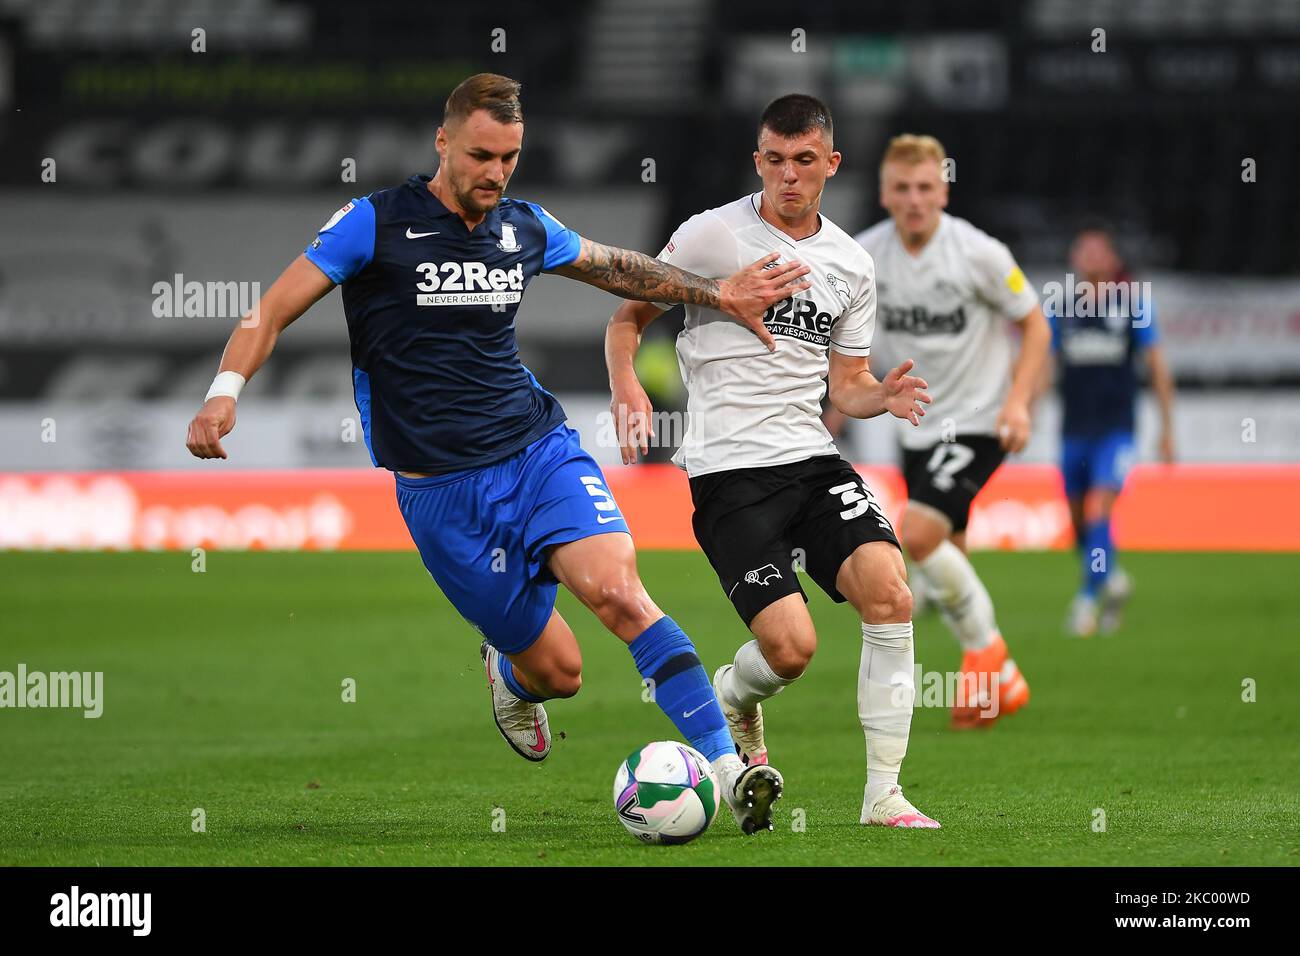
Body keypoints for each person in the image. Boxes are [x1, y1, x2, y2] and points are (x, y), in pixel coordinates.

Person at [184, 73, 808, 834]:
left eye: (510, 156)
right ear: (443, 142)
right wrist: (225, 389)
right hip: (441, 492)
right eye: (482, 154)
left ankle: (728, 769)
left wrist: (719, 295)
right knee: (561, 672)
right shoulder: (372, 223)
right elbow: (271, 308)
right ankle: (510, 674)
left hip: (537, 450)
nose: (496, 172)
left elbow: (620, 268)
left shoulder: (524, 226)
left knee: (619, 593)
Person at [607, 94, 939, 828]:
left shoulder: (850, 264)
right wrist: (627, 381)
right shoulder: (710, 236)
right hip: (729, 473)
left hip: (814, 463)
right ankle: (733, 694)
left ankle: (884, 794)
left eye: (805, 161)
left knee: (891, 594)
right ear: (758, 160)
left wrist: (876, 394)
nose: (789, 176)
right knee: (791, 652)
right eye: (775, 160)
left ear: (832, 164)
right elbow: (627, 314)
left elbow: (845, 384)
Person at [854, 134, 1049, 728]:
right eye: (903, 188)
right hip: (916, 427)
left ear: (943, 189)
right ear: (886, 193)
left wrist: (1018, 403)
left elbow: (1035, 325)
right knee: (947, 556)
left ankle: (993, 659)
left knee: (917, 534)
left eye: (926, 188)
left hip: (979, 419)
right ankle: (995, 680)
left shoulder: (978, 253)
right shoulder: (863, 257)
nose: (915, 199)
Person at [1051, 224, 1176, 636]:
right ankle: (1114, 578)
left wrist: (1167, 428)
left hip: (1116, 430)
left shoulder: (1133, 308)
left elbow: (1156, 366)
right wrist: (1025, 407)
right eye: (1081, 249)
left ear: (1111, 260)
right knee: (1077, 522)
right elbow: (1043, 364)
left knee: (1100, 506)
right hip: (1074, 430)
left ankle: (1086, 601)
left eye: (1096, 250)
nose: (1088, 257)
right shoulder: (1062, 309)